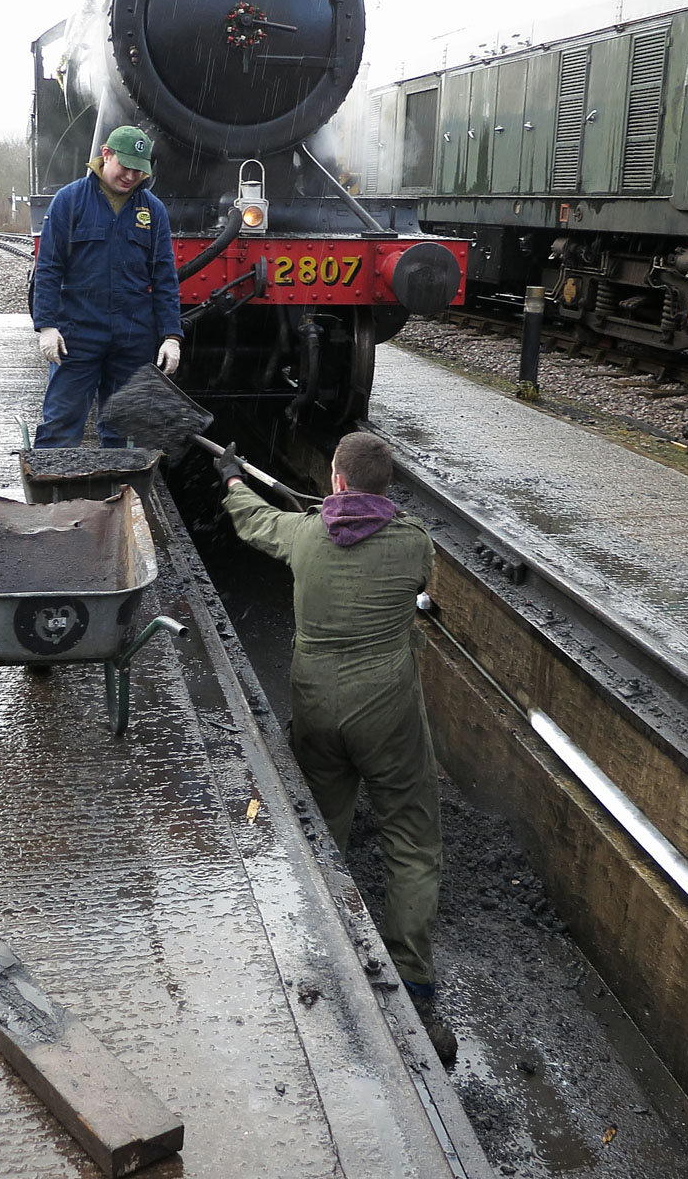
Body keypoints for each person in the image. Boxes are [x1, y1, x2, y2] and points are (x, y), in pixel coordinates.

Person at [215, 431, 456, 1064]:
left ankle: (328, 959)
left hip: (317, 710)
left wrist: (233, 479)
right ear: (383, 486)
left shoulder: (302, 535)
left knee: (323, 832)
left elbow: (255, 521)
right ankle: (415, 989)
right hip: (389, 715)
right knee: (412, 839)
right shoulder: (414, 544)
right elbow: (408, 567)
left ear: (336, 479)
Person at [31, 125, 183, 448]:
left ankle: (120, 482)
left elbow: (164, 278)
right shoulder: (69, 201)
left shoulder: (153, 211)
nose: (130, 176)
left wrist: (171, 336)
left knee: (126, 433)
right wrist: (46, 325)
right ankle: (54, 481)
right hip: (77, 335)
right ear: (106, 155)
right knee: (61, 425)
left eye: (138, 170)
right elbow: (49, 268)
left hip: (133, 337)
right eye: (125, 167)